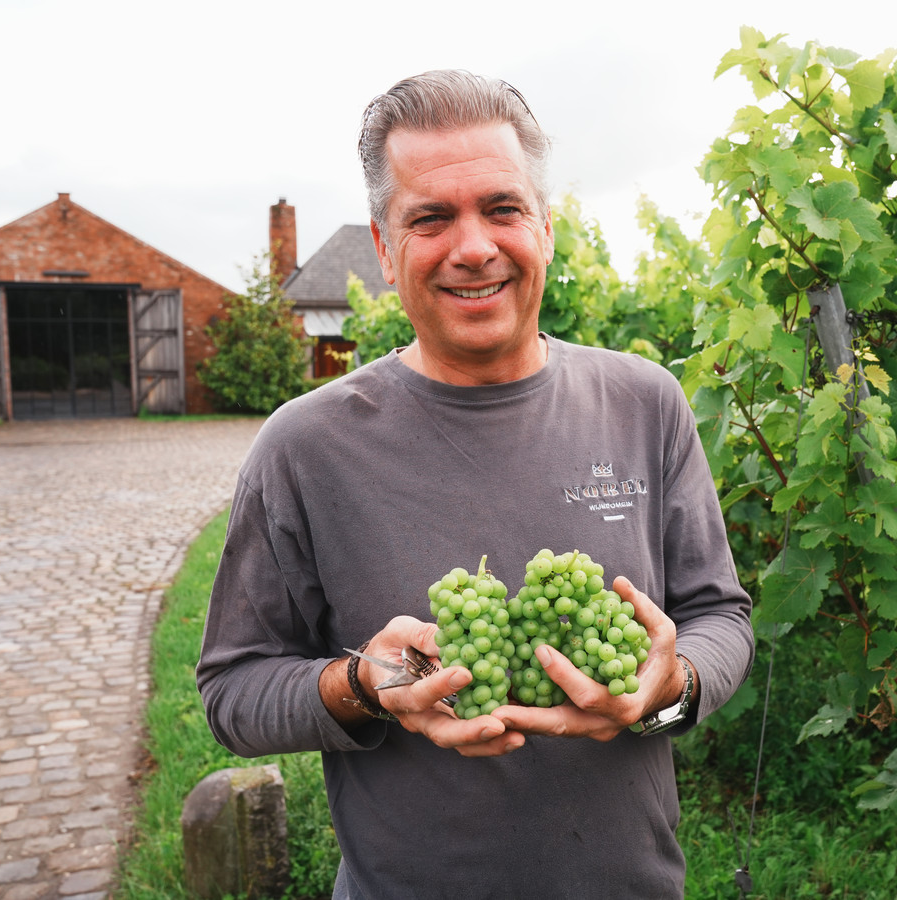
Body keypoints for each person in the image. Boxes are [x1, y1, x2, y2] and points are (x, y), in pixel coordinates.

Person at [197, 69, 754, 899]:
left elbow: (720, 615)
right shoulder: (305, 446)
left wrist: (673, 686)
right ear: (385, 251)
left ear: (545, 227)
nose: (474, 246)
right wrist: (359, 688)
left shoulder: (645, 402)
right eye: (431, 218)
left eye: (502, 208)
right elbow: (231, 691)